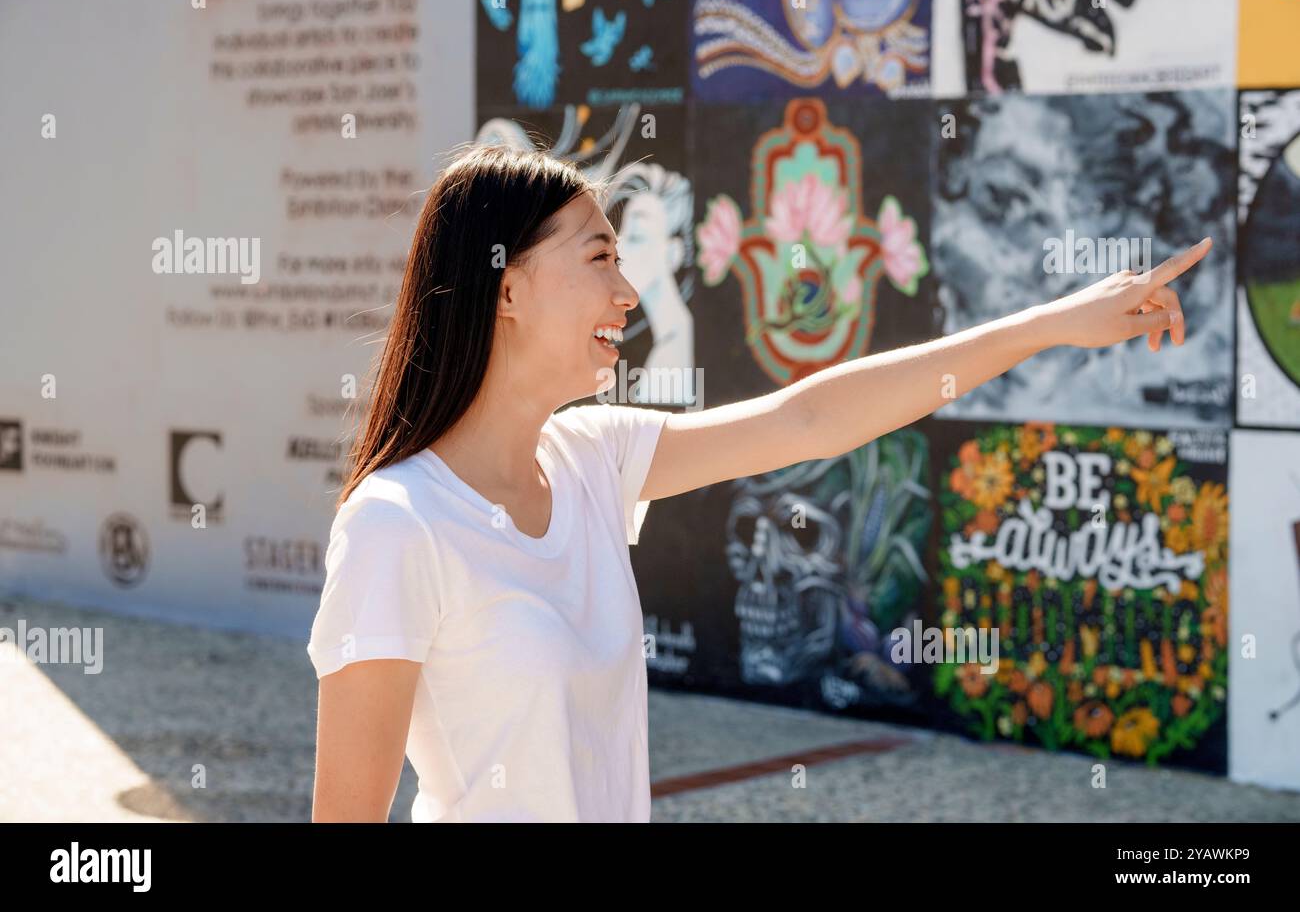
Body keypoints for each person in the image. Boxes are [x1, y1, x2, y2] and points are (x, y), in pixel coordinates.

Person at [307, 143, 1210, 822]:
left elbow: (807, 421)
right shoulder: (398, 524)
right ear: (507, 288)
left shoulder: (591, 459)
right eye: (599, 258)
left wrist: (1051, 325)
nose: (629, 292)